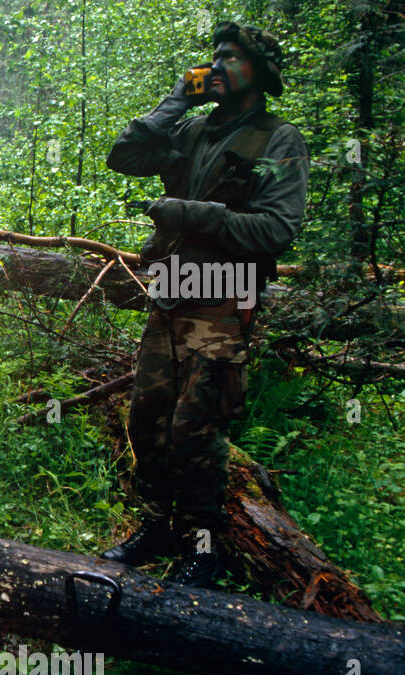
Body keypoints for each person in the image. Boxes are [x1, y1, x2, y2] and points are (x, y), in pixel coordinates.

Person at [101, 22, 310, 587]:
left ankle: (203, 546)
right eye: (215, 56)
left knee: (196, 427)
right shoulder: (192, 129)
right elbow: (123, 154)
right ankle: (156, 526)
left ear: (260, 72)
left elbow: (277, 230)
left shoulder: (278, 140)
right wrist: (177, 99)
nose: (218, 64)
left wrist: (192, 214)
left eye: (233, 57)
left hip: (223, 296)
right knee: (148, 417)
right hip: (172, 290)